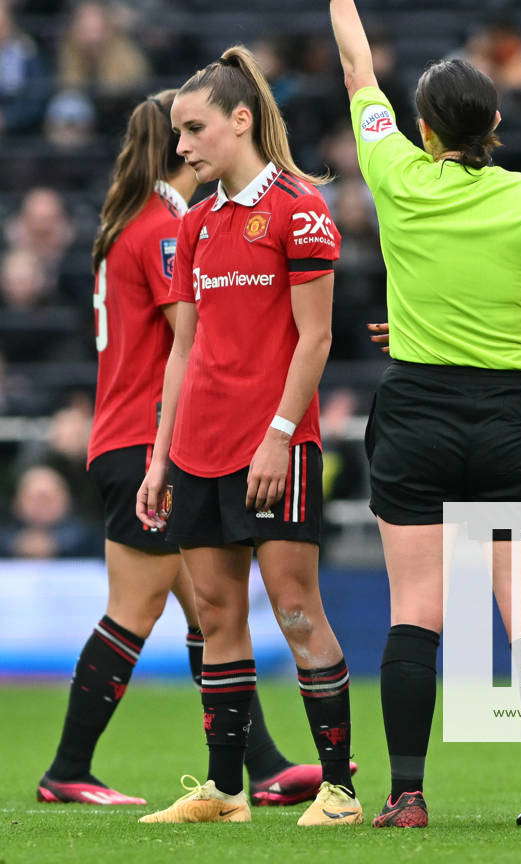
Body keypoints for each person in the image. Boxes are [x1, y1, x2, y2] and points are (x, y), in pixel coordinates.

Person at [316, 0, 521, 829]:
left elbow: (357, 71)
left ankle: (406, 794)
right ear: (497, 125)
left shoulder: (396, 174)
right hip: (513, 415)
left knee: (416, 611)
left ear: (425, 127)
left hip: (418, 410)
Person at [37, 89, 328, 808]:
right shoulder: (170, 228)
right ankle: (69, 768)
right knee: (139, 609)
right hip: (154, 437)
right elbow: (193, 337)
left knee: (209, 611)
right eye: (185, 131)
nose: (193, 142)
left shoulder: (124, 224)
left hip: (124, 433)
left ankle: (261, 767)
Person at [135, 47, 360, 827]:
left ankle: (339, 790)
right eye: (176, 132)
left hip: (274, 447)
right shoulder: (194, 224)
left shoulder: (300, 208)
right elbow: (183, 351)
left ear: (240, 120)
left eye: (193, 128)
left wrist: (278, 436)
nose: (181, 145)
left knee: (295, 610)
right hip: (196, 448)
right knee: (216, 614)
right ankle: (225, 791)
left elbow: (315, 338)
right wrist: (159, 457)